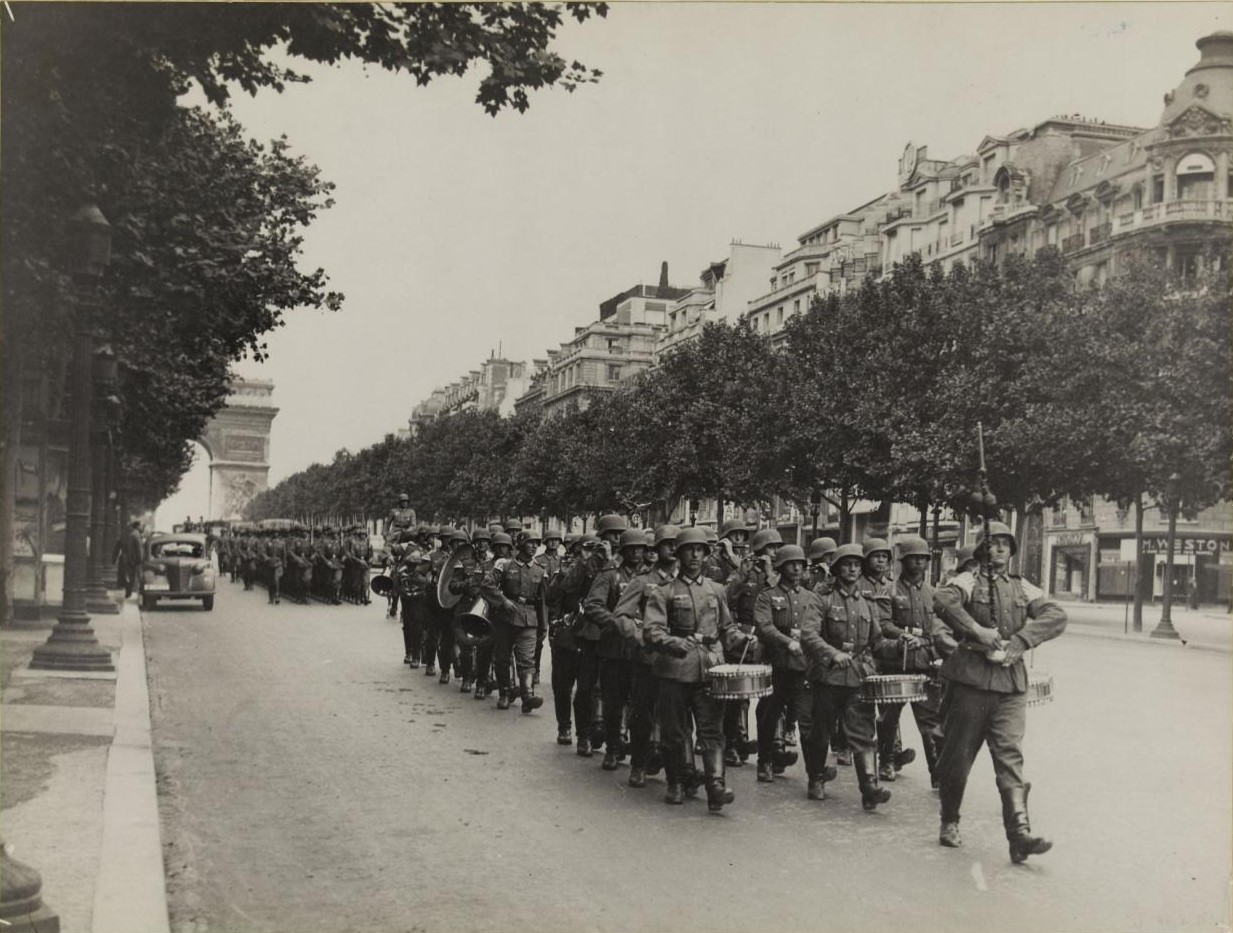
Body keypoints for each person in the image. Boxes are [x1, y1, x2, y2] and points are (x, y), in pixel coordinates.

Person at [932, 520, 1066, 861]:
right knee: (958, 756)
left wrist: (1022, 640)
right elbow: (943, 600)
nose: (1001, 548)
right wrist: (976, 630)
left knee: (1010, 757)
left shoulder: (1023, 587)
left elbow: (1056, 615)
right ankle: (949, 820)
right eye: (994, 543)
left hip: (1010, 684)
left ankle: (1019, 834)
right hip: (971, 681)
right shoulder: (968, 581)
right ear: (982, 549)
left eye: (1006, 543)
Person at [643, 526, 753, 812]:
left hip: (709, 669)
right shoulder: (664, 591)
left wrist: (743, 639)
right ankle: (677, 782)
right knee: (675, 732)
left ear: (706, 554)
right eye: (689, 550)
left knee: (712, 730)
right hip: (675, 670)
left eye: (700, 550)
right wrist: (675, 643)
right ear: (679, 555)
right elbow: (651, 631)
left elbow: (726, 628)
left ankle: (716, 786)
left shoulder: (716, 590)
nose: (694, 555)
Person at [800, 542, 894, 811]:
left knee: (863, 732)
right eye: (847, 565)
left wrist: (900, 646)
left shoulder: (868, 603)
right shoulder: (822, 599)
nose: (852, 569)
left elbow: (877, 642)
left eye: (856, 565)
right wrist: (832, 654)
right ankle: (816, 778)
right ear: (837, 569)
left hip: (857, 677)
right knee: (821, 731)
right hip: (827, 677)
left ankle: (870, 787)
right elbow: (809, 635)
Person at [876, 536, 954, 787]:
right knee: (888, 718)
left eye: (922, 558)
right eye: (913, 558)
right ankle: (887, 761)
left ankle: (937, 772)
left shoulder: (934, 594)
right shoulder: (888, 591)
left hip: (924, 665)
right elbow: (883, 624)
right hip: (896, 663)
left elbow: (940, 629)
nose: (919, 563)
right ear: (903, 561)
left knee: (930, 722)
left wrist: (927, 644)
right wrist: (904, 636)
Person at [753, 544, 827, 792]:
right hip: (776, 665)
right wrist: (787, 642)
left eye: (800, 564)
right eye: (791, 564)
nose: (796, 568)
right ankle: (764, 761)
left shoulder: (811, 597)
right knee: (769, 716)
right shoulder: (767, 595)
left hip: (803, 667)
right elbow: (764, 626)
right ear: (781, 567)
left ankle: (815, 775)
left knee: (807, 720)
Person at [613, 524, 678, 788]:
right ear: (656, 549)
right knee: (642, 713)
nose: (672, 549)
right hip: (649, 658)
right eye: (667, 544)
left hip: (679, 658)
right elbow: (621, 615)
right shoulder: (643, 581)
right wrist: (640, 638)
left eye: (677, 545)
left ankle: (678, 771)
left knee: (677, 717)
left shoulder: (687, 581)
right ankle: (638, 764)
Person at [561, 514, 627, 756]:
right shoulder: (589, 560)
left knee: (615, 690)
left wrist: (610, 560)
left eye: (619, 534)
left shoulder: (626, 561)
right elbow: (568, 586)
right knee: (586, 687)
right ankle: (584, 735)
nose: (616, 538)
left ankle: (615, 738)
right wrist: (585, 559)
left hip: (617, 631)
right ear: (602, 537)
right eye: (611, 534)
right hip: (591, 631)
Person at [584, 528, 646, 771]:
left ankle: (638, 753)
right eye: (632, 548)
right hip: (614, 648)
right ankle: (612, 748)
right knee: (613, 702)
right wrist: (615, 623)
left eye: (641, 548)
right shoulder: (610, 574)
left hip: (642, 648)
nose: (637, 552)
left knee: (641, 705)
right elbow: (593, 605)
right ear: (623, 549)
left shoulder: (650, 575)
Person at [481, 531, 547, 713]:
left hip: (529, 619)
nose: (534, 546)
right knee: (502, 657)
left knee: (526, 659)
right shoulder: (504, 565)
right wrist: (502, 600)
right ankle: (504, 693)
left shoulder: (540, 570)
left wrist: (543, 625)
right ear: (521, 544)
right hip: (505, 618)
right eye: (530, 542)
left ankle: (528, 696)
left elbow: (542, 601)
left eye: (536, 543)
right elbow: (486, 585)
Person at [121, 520, 144, 598]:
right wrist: (140, 559)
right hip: (134, 560)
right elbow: (138, 548)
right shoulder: (136, 535)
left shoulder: (133, 534)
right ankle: (129, 592)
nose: (142, 527)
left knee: (131, 576)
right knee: (132, 576)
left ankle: (129, 592)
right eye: (141, 525)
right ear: (137, 526)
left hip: (132, 559)